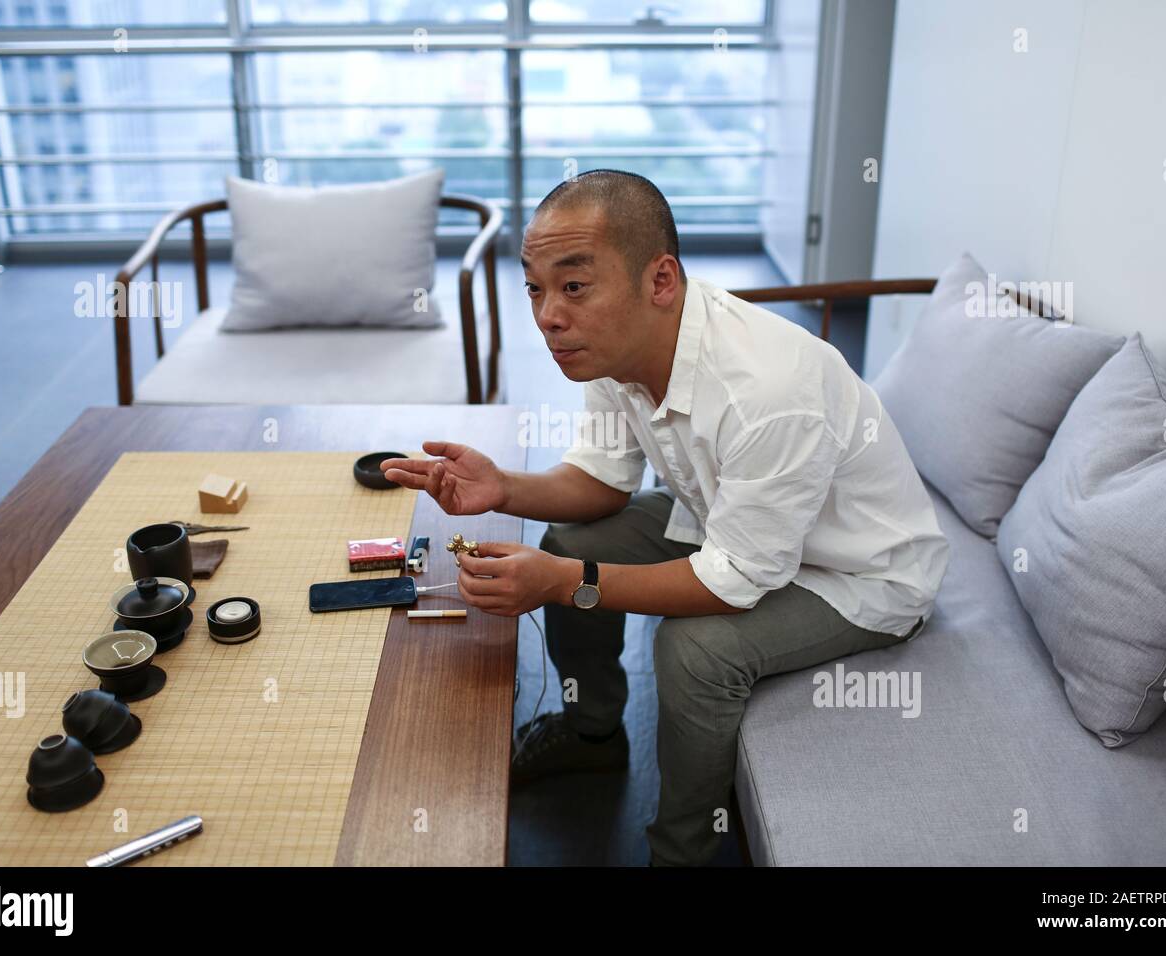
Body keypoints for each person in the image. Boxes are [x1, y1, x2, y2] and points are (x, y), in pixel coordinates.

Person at [380, 169, 950, 866]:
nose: (548, 316)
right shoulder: (616, 348)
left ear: (661, 280)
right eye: (536, 287)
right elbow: (602, 484)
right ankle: (593, 733)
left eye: (575, 285)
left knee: (694, 650)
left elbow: (731, 583)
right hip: (734, 523)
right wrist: (502, 488)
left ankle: (681, 850)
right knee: (572, 537)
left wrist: (563, 582)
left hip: (857, 572)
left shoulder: (767, 392)